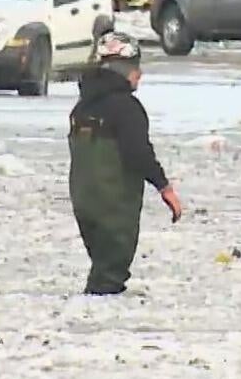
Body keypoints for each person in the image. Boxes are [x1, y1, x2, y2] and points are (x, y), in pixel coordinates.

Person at [68, 31, 183, 295]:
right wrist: (164, 187)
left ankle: (96, 301)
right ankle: (100, 310)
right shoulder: (127, 108)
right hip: (114, 201)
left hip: (83, 198)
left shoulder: (81, 109)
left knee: (102, 263)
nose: (139, 74)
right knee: (111, 270)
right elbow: (138, 152)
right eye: (135, 67)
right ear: (122, 71)